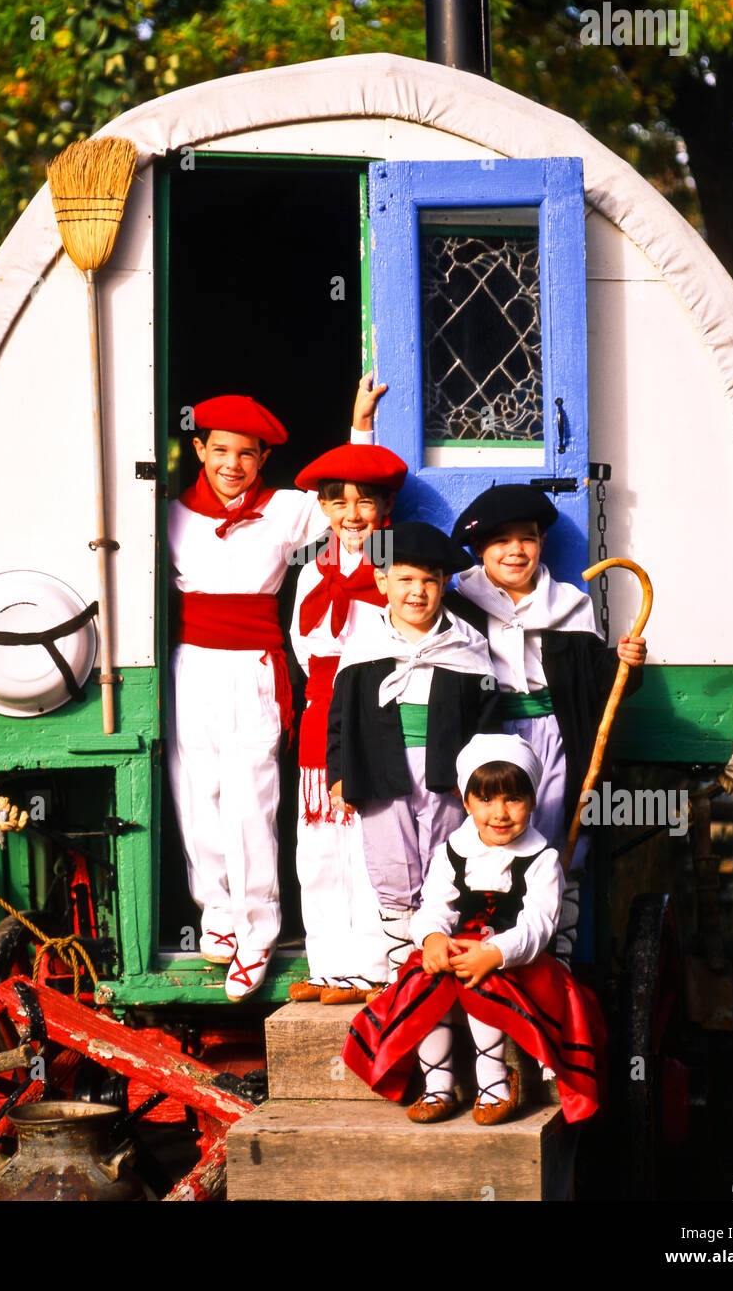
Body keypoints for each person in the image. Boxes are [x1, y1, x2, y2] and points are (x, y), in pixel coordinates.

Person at [166, 378, 383, 1001]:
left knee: (249, 798)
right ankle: (218, 916)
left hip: (254, 669)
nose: (233, 465)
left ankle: (258, 933)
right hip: (189, 665)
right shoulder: (171, 516)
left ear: (263, 460)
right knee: (195, 794)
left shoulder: (287, 508)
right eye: (221, 450)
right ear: (200, 451)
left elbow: (351, 498)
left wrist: (359, 421)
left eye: (247, 454)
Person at [342, 734, 606, 1125]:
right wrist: (432, 938)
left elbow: (538, 924)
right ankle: (438, 1084)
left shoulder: (541, 859)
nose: (499, 813)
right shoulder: (454, 849)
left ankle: (495, 1081)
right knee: (423, 980)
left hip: (519, 962)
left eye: (513, 799)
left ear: (532, 801)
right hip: (461, 949)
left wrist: (496, 953)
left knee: (479, 983)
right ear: (466, 802)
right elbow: (435, 905)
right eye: (485, 800)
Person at [446, 485, 646, 964]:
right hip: (488, 740)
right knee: (487, 834)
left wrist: (626, 662)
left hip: (553, 736)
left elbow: (601, 684)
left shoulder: (571, 606)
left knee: (557, 838)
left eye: (528, 538)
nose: (516, 550)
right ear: (479, 549)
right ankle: (486, 944)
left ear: (541, 543)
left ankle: (557, 953)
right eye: (500, 540)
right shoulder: (460, 604)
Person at [326, 521, 502, 980]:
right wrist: (339, 773)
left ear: (444, 584)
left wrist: (482, 777)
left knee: (445, 854)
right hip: (382, 771)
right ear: (382, 582)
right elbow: (341, 716)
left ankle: (447, 963)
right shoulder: (364, 645)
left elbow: (486, 717)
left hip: (447, 771)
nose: (417, 592)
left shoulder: (467, 645)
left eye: (429, 580)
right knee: (390, 857)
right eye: (404, 579)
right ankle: (401, 970)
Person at [288, 443, 408, 1005]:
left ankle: (373, 966)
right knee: (317, 847)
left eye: (365, 502)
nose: (352, 515)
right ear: (325, 509)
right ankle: (329, 962)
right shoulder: (313, 570)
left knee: (368, 842)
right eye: (339, 503)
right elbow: (302, 644)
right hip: (321, 713)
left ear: (385, 507)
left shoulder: (395, 570)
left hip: (371, 711)